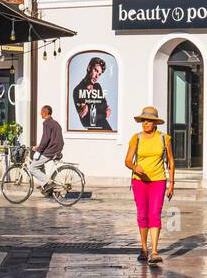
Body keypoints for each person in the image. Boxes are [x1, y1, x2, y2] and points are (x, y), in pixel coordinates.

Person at [123, 106, 174, 265]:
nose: (145, 123)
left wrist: (172, 183)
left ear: (155, 123)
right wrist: (134, 167)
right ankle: (144, 248)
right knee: (142, 214)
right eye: (143, 120)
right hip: (139, 181)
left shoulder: (164, 138)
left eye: (149, 120)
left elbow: (171, 161)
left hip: (158, 180)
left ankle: (154, 251)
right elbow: (127, 160)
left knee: (155, 213)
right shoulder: (136, 138)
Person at [72, 57, 113, 131]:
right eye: (96, 71)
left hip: (108, 130)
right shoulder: (77, 90)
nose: (97, 76)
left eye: (99, 74)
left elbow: (105, 105)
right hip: (94, 132)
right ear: (89, 68)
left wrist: (97, 111)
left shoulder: (98, 86)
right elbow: (87, 121)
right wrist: (103, 113)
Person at [29, 104, 65, 187]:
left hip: (51, 151)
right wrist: (39, 146)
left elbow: (45, 139)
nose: (40, 113)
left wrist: (38, 151)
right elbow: (50, 139)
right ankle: (45, 187)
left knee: (32, 168)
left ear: (45, 113)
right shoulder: (55, 123)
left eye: (41, 112)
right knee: (39, 165)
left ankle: (48, 182)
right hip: (57, 149)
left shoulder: (47, 123)